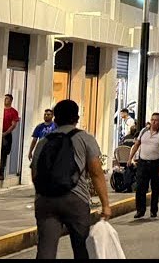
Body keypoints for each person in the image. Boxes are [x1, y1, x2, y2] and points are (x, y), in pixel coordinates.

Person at [31, 99, 110, 260]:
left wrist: (44, 193)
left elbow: (34, 173)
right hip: (75, 199)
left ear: (55, 119)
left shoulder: (44, 141)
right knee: (81, 248)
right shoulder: (85, 138)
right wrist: (105, 204)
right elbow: (96, 173)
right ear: (77, 118)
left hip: (45, 200)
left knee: (46, 249)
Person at [127, 112, 159, 219]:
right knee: (140, 186)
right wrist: (130, 158)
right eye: (152, 119)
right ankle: (140, 210)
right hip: (143, 163)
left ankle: (153, 210)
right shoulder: (144, 131)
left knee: (155, 188)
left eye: (156, 120)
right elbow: (137, 144)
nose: (153, 122)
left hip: (156, 163)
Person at [0, 94, 20, 181]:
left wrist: (5, 133)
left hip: (6, 135)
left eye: (7, 99)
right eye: (4, 98)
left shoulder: (13, 112)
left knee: (3, 154)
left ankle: (1, 172)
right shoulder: (0, 110)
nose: (5, 100)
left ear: (11, 100)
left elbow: (13, 125)